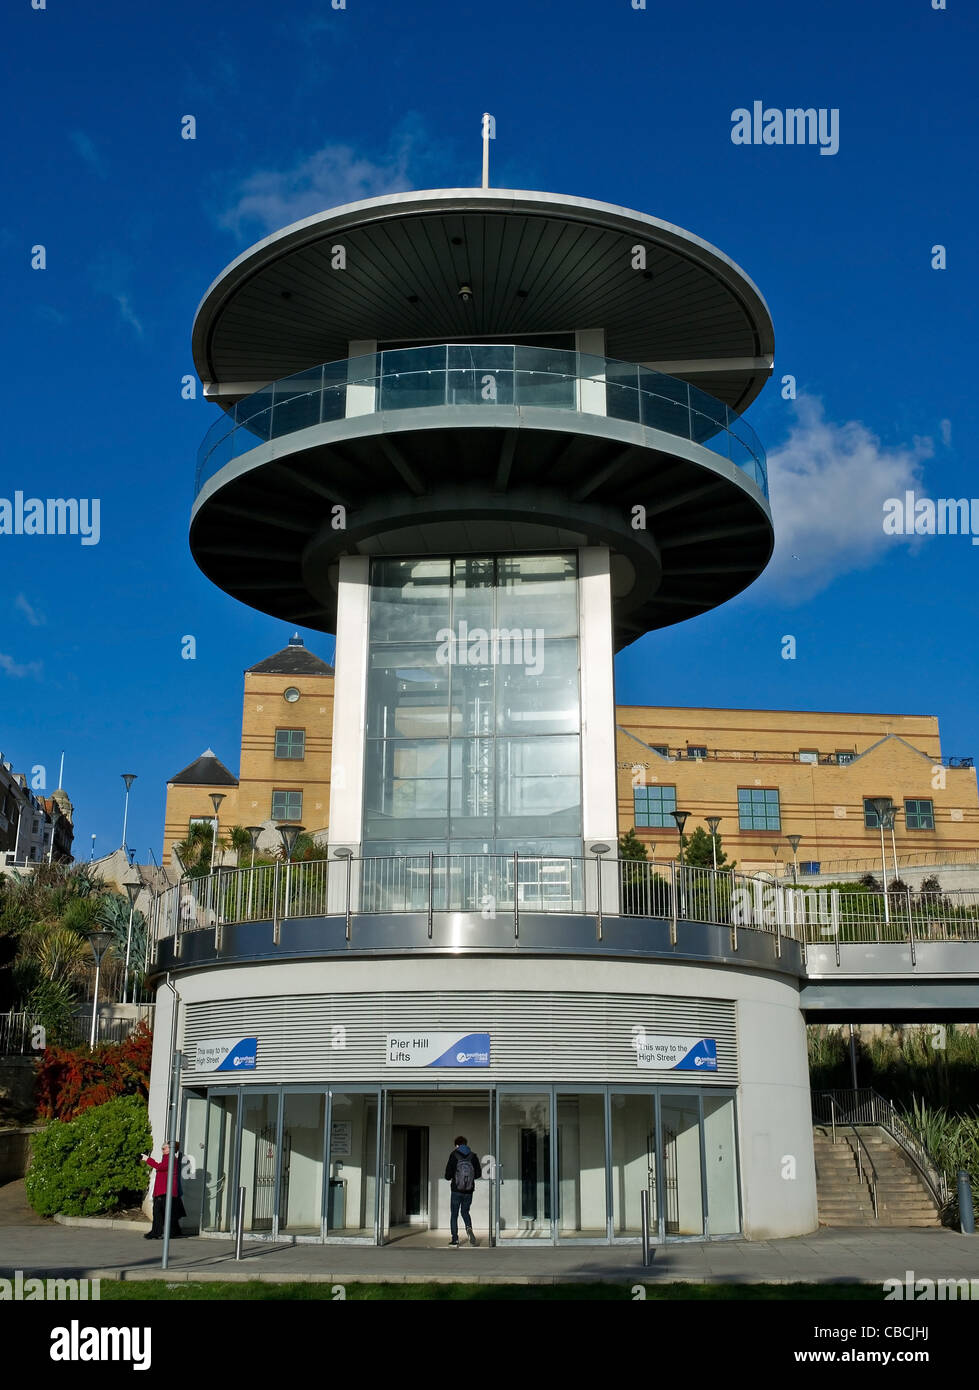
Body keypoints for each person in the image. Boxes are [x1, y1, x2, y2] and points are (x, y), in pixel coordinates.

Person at [142, 1142, 185, 1240]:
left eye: (164, 1148)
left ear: (170, 1149)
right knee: (166, 1212)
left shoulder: (169, 1158)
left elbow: (160, 1167)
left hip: (165, 1190)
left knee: (159, 1212)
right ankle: (170, 1232)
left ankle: (157, 1232)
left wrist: (147, 1159)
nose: (162, 1150)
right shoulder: (169, 1158)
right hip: (164, 1190)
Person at [444, 1135, 481, 1247]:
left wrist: (454, 1177)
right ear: (466, 1143)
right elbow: (478, 1174)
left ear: (457, 1145)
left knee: (454, 1214)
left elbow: (447, 1175)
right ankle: (468, 1228)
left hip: (456, 1190)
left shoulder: (454, 1155)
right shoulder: (473, 1156)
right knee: (465, 1212)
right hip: (469, 1190)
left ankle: (455, 1240)